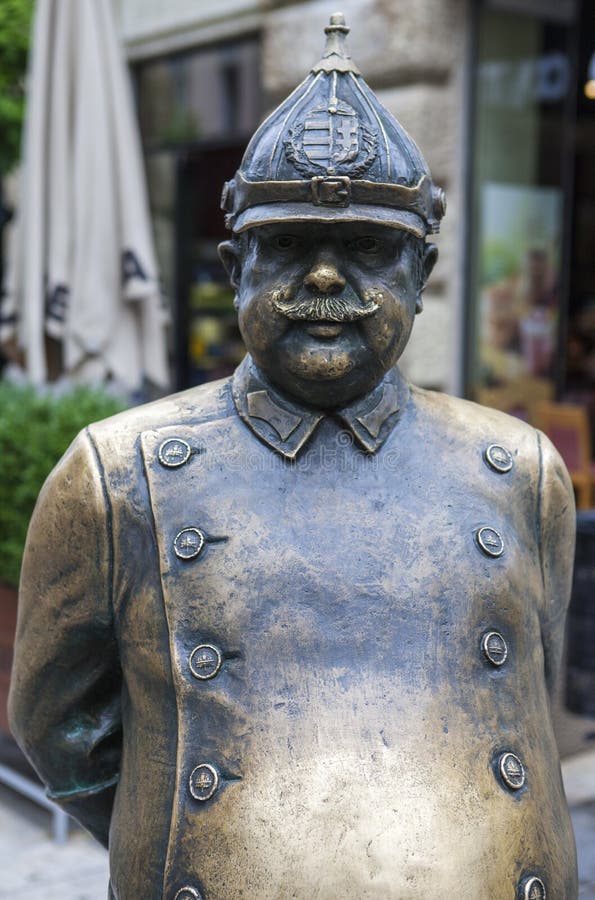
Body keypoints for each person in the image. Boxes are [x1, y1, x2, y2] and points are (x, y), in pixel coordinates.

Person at [9, 15, 577, 900]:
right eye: (286, 246)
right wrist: (187, 831)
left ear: (421, 274)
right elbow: (62, 731)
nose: (322, 279)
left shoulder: (518, 470)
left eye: (365, 249)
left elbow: (524, 697)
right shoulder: (118, 474)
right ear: (234, 266)